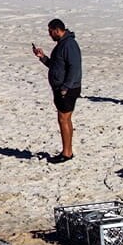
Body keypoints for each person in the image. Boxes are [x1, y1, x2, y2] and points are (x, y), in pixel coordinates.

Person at [33, 18, 81, 162]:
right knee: (65, 119)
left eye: (50, 31)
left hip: (67, 89)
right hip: (63, 88)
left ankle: (66, 153)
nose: (49, 35)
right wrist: (43, 58)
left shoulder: (69, 45)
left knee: (63, 119)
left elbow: (75, 67)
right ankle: (67, 151)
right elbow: (56, 66)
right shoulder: (63, 44)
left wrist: (66, 87)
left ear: (57, 30)